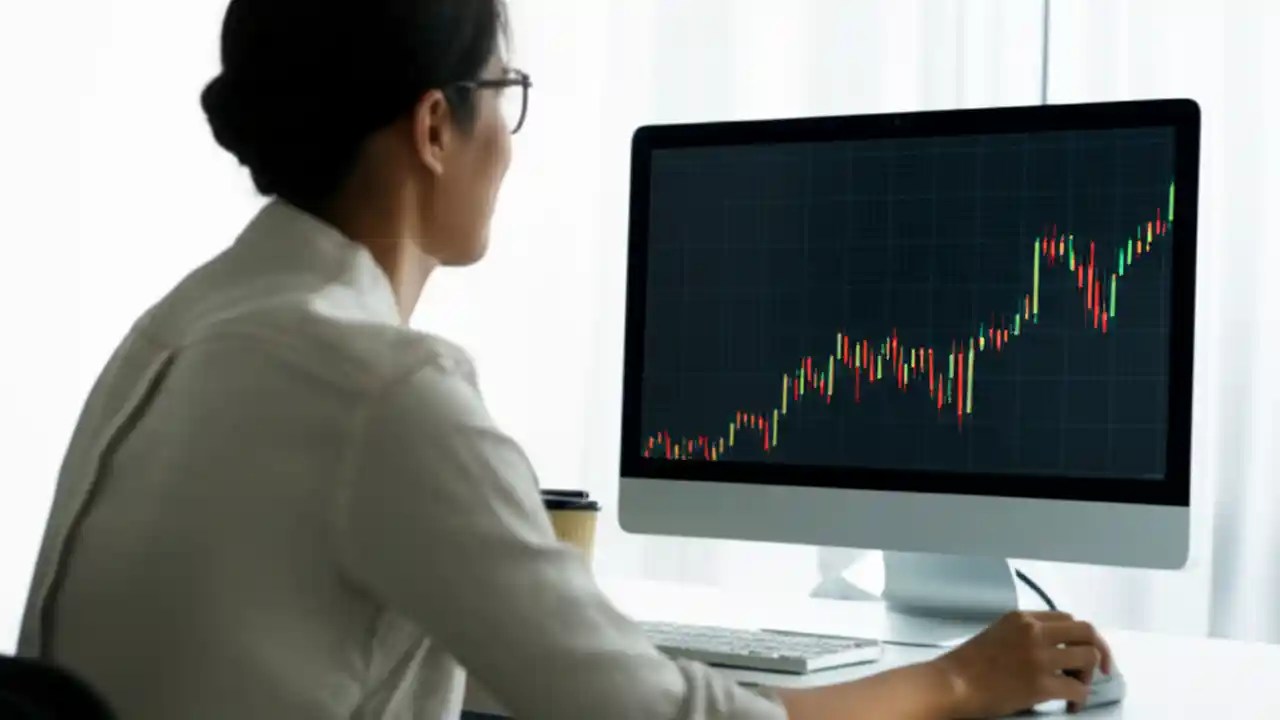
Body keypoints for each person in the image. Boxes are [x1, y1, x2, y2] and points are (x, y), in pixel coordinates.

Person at [18, 0, 1114, 718]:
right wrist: (963, 678)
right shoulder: (382, 388)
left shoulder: (172, 332)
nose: (511, 134)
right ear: (436, 128)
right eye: (506, 93)